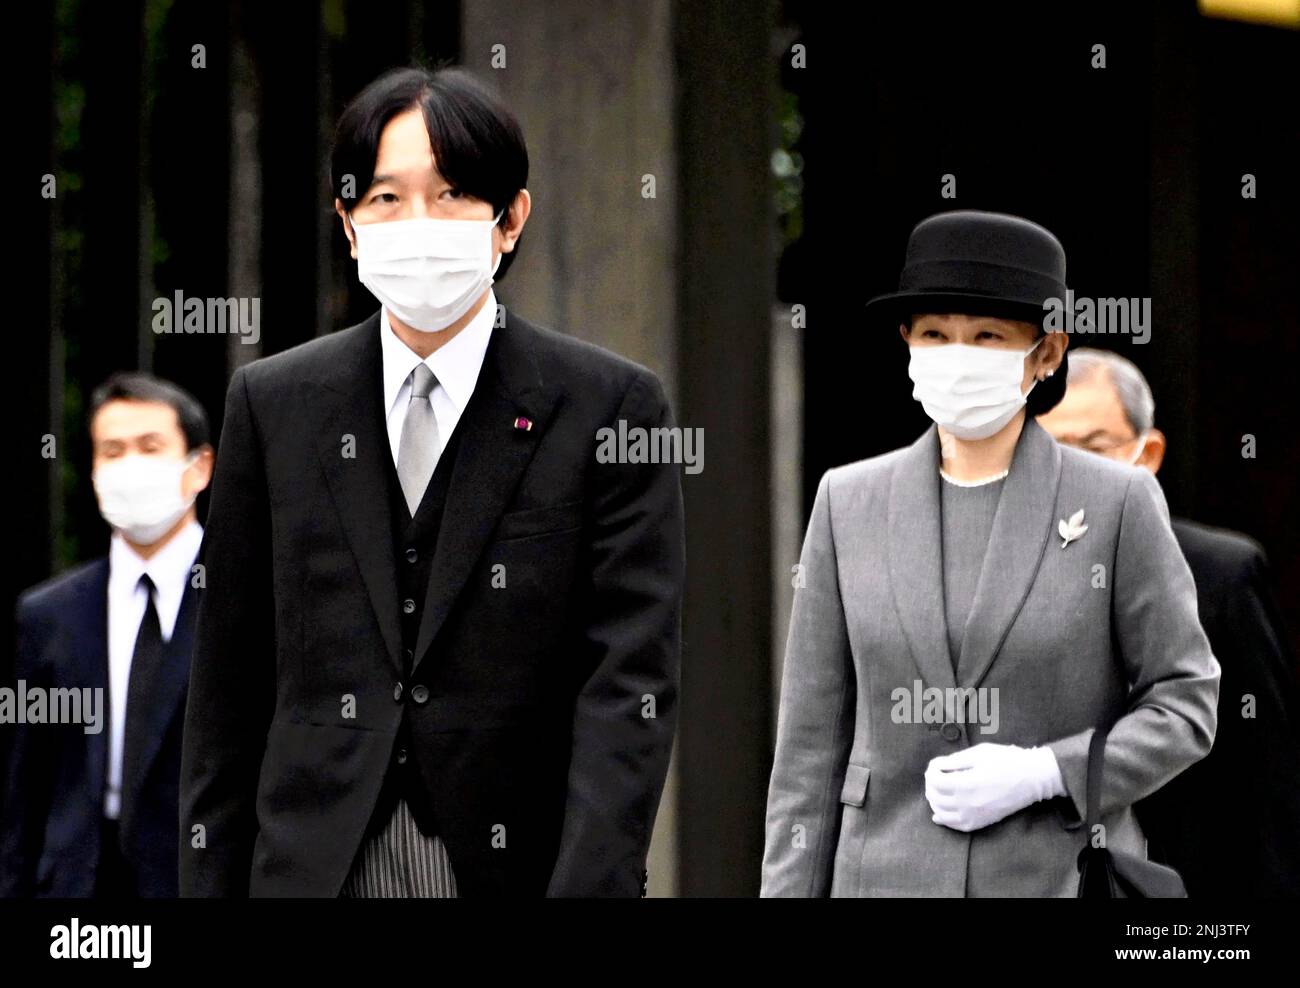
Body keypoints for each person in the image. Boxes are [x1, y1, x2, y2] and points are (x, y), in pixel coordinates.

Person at [179, 66, 684, 898]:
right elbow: (227, 688)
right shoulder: (273, 406)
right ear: (347, 224)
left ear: (509, 218)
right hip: (313, 865)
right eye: (384, 198)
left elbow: (627, 683)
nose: (418, 224)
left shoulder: (609, 408)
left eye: (450, 194)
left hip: (515, 866)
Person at [761, 210, 1220, 897]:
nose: (958, 354)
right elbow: (808, 750)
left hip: (1052, 881)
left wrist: (1048, 772)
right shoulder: (847, 501)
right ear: (907, 344)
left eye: (987, 336)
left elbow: (1186, 703)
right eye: (935, 335)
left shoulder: (1117, 503)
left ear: (1046, 353)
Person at [1038, 347, 1300, 896]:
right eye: (1049, 449)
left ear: (1147, 452)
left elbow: (1265, 778)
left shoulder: (1220, 575)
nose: (1073, 470)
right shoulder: (997, 572)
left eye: (1093, 446)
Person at [1, 373, 213, 897]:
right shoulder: (50, 612)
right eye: (111, 451)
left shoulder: (246, 597)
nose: (130, 466)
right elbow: (24, 786)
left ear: (199, 466)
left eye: (150, 447)